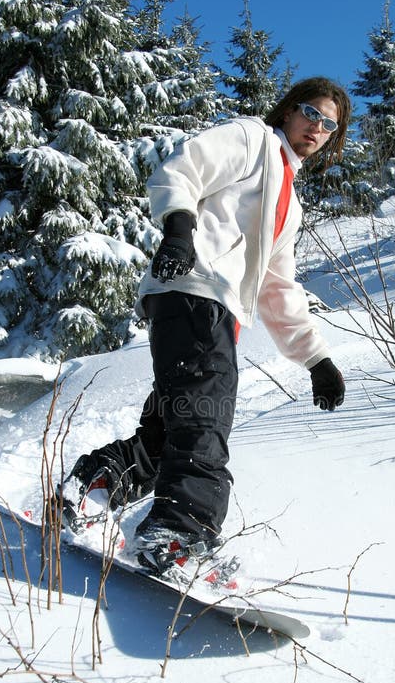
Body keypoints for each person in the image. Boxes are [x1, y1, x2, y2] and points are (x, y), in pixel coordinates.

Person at [61, 77, 350, 578]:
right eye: (311, 111)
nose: (317, 126)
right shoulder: (252, 140)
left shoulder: (289, 202)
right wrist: (178, 228)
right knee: (203, 418)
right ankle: (178, 534)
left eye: (329, 123)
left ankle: (89, 488)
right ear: (287, 111)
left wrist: (316, 359)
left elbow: (278, 286)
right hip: (194, 287)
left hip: (210, 309)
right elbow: (184, 168)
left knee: (175, 424)